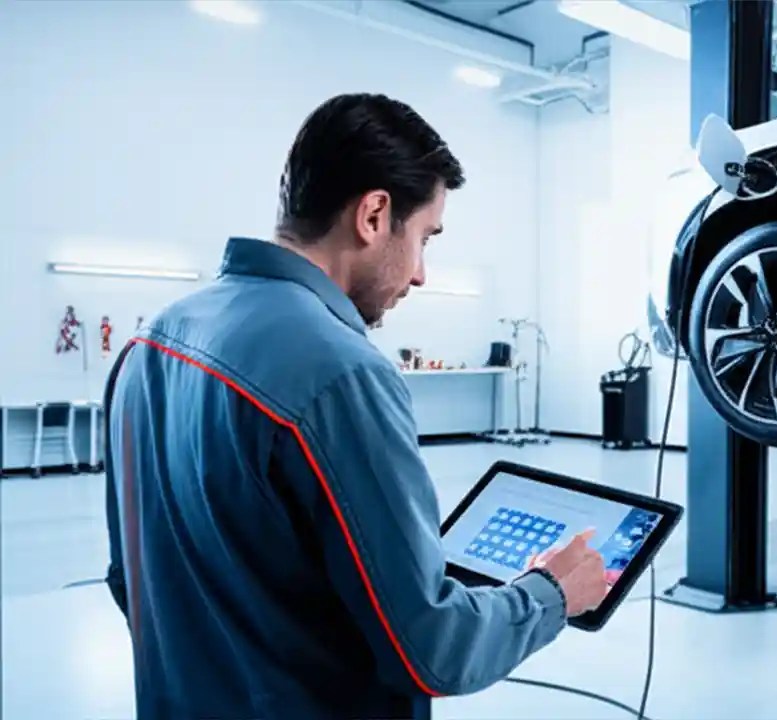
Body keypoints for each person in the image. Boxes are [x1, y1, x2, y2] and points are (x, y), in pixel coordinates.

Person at [102, 93, 610, 720]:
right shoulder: (340, 372)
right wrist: (552, 592)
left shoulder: (152, 339)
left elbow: (130, 580)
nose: (422, 273)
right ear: (373, 215)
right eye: (425, 237)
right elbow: (432, 650)